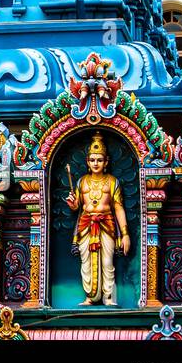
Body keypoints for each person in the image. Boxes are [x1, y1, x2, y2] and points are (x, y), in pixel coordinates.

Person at [65, 131, 130, 306]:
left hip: (106, 224)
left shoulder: (112, 181)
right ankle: (90, 297)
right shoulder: (81, 182)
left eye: (99, 160)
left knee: (108, 262)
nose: (96, 163)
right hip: (86, 225)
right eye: (92, 160)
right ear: (87, 161)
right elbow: (77, 206)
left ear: (106, 161)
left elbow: (118, 207)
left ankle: (108, 297)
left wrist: (125, 234)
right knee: (86, 261)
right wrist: (72, 204)